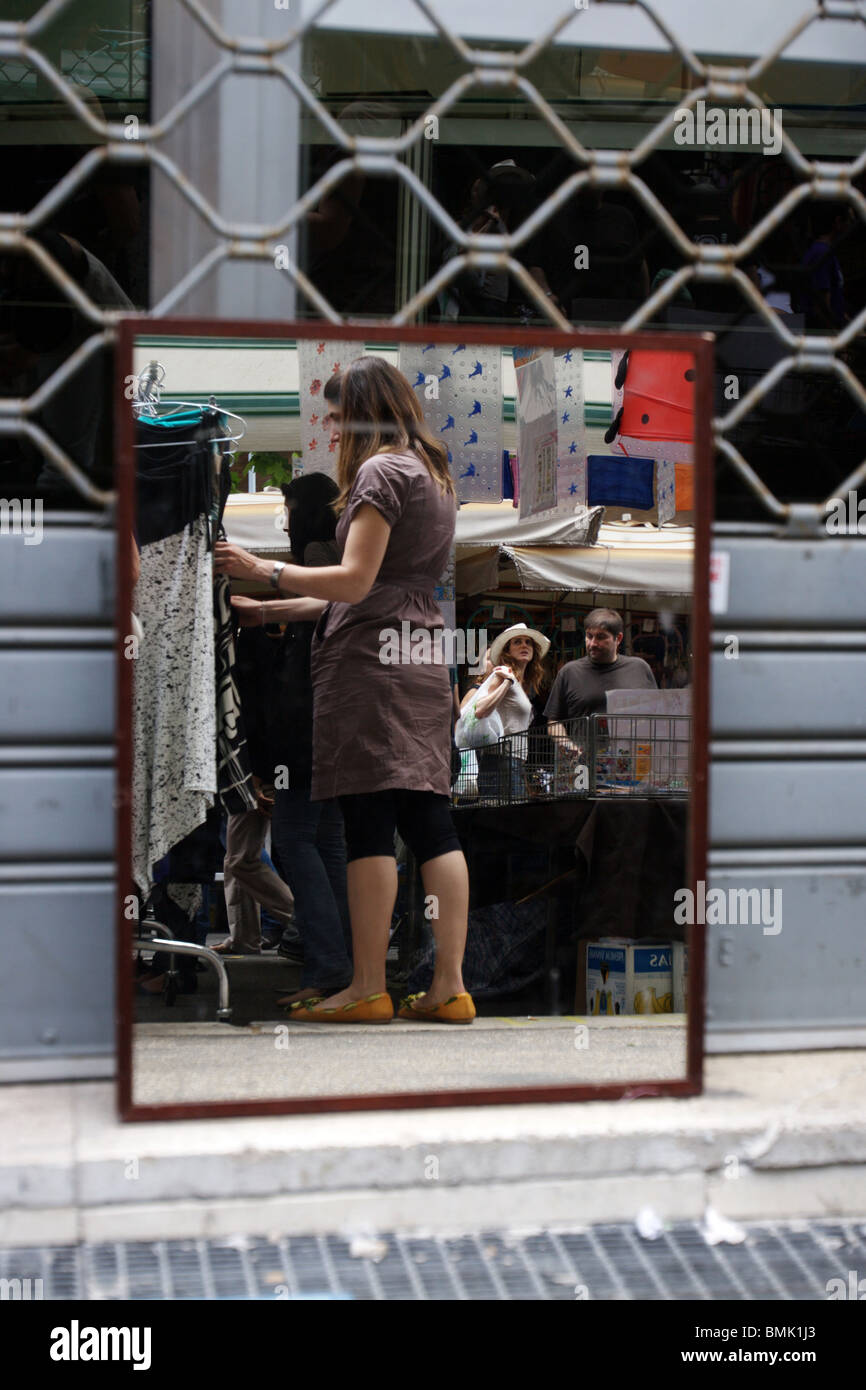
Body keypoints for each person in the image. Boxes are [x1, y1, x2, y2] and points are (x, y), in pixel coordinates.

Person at [215, 356, 474, 1024]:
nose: (333, 431)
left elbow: (355, 582)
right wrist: (275, 610)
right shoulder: (433, 470)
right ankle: (449, 985)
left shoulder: (381, 470)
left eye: (336, 417)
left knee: (369, 824)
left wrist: (263, 571)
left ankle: (366, 986)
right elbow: (383, 587)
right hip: (417, 654)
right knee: (428, 820)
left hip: (371, 670)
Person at [230, 461, 353, 1004]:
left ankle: (327, 969)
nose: (284, 525)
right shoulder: (338, 549)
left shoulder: (322, 555)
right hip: (336, 725)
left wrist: (260, 606)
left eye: (287, 513)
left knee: (297, 841)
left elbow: (332, 604)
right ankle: (342, 970)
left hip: (314, 725)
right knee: (327, 844)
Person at [546, 608, 657, 753]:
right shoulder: (570, 672)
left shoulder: (639, 668)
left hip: (631, 762)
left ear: (618, 638)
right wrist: (569, 746)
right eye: (589, 636)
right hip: (584, 762)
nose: (592, 643)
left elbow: (656, 715)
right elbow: (554, 721)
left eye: (600, 637)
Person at [468, 624, 550, 801]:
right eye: (517, 642)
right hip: (500, 761)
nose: (524, 645)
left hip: (514, 762)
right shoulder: (503, 675)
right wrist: (507, 682)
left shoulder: (522, 683)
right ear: (507, 650)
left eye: (528, 642)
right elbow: (479, 709)